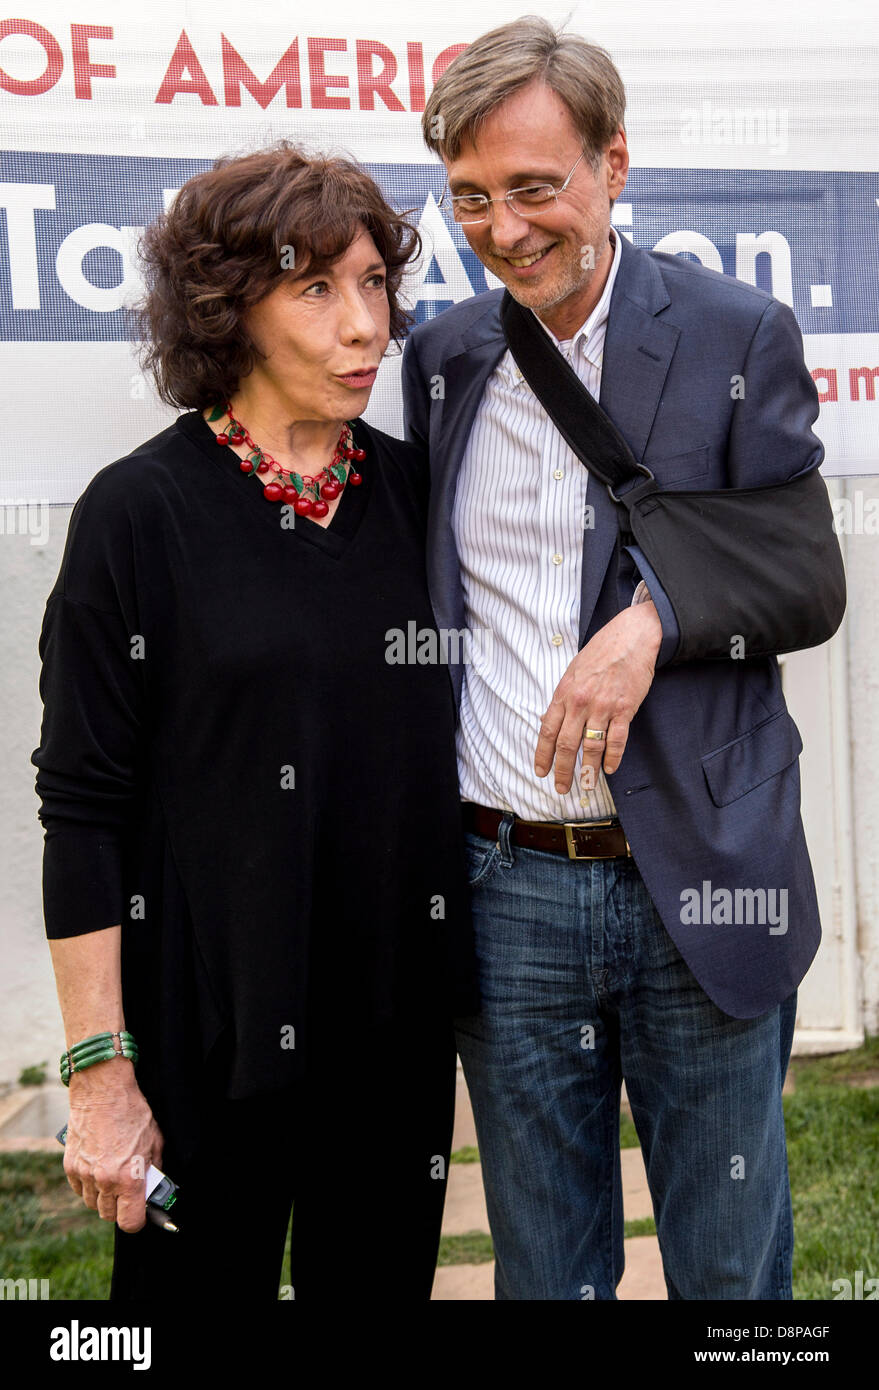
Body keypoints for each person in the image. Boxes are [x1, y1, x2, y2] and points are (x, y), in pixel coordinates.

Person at [402, 16, 841, 1300]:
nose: (505, 226)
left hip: (698, 878)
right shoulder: (440, 361)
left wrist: (649, 624)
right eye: (471, 197)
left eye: (536, 187)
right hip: (507, 888)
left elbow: (807, 576)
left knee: (726, 1265)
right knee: (549, 1272)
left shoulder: (733, 333)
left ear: (614, 166)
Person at [31, 141, 474, 1302]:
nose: (364, 325)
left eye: (376, 283)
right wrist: (98, 1073)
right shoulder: (137, 515)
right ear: (228, 307)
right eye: (317, 287)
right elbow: (81, 808)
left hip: (390, 1037)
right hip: (203, 1038)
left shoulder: (420, 494)